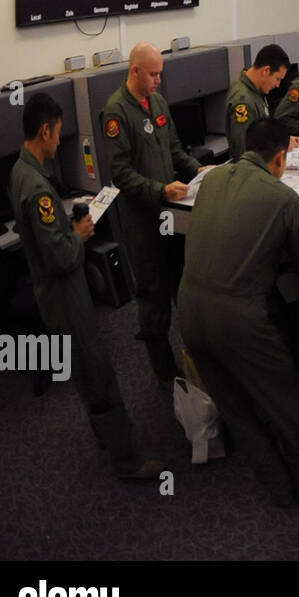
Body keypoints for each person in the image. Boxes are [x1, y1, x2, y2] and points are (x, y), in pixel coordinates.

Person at [178, 117, 299, 507]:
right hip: (240, 321)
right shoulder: (283, 199)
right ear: (280, 158)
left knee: (236, 410)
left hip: (188, 311)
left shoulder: (212, 180)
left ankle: (276, 486)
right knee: (284, 401)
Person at [9, 93, 165, 481]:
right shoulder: (39, 189)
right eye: (58, 133)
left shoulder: (20, 172)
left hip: (52, 295)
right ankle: (128, 462)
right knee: (97, 373)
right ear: (45, 130)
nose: (59, 140)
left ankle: (106, 438)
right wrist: (78, 234)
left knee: (83, 371)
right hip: (64, 295)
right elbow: (61, 256)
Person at [100, 42, 207, 386]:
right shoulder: (116, 112)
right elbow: (121, 174)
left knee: (181, 283)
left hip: (171, 216)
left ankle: (196, 359)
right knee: (153, 294)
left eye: (160, 73)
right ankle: (164, 373)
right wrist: (159, 190)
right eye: (153, 74)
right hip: (143, 221)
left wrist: (201, 172)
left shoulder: (158, 102)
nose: (159, 80)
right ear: (135, 71)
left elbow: (175, 150)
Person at [226, 43, 297, 159]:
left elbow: (260, 136)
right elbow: (244, 152)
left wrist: (280, 142)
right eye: (277, 79)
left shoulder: (256, 89)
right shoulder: (243, 101)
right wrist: (277, 149)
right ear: (266, 70)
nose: (278, 85)